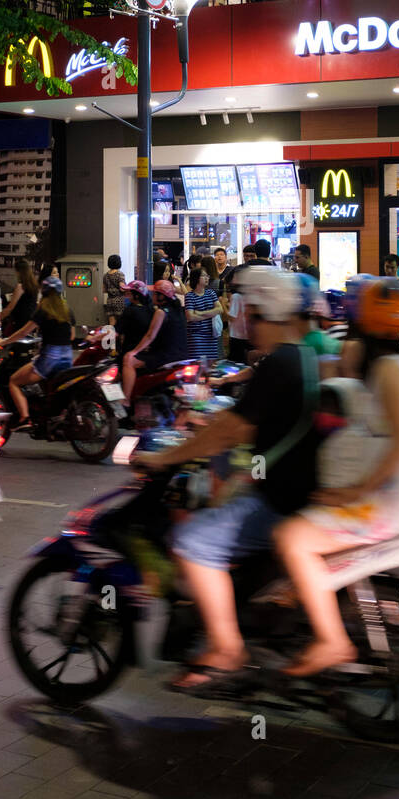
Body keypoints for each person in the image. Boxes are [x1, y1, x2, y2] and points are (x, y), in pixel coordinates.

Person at [133, 266, 320, 692]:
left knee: (193, 541)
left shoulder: (280, 363)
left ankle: (225, 648)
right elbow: (249, 422)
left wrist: (167, 458)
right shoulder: (302, 356)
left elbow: (233, 429)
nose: (243, 319)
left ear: (259, 311)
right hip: (294, 486)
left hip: (279, 498)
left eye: (248, 310)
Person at [275, 275, 399, 675]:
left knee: (292, 539)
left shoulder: (387, 368)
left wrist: (354, 492)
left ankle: (332, 641)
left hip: (391, 499)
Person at [0, 274, 75, 430]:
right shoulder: (67, 310)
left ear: (44, 292)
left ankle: (25, 418)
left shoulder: (43, 309)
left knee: (14, 381)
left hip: (50, 357)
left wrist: (4, 341)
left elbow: (24, 332)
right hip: (67, 357)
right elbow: (71, 336)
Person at [121, 279, 189, 403]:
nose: (152, 296)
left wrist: (134, 352)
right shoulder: (178, 310)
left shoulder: (160, 312)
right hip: (181, 354)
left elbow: (149, 336)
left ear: (161, 296)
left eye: (155, 293)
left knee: (128, 359)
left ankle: (125, 400)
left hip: (165, 356)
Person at [184, 265, 223, 361]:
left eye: (207, 276)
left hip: (211, 335)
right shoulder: (190, 296)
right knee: (196, 364)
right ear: (196, 278)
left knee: (210, 365)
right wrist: (211, 313)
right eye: (204, 276)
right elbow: (190, 317)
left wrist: (200, 313)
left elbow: (220, 309)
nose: (207, 278)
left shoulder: (211, 293)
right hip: (196, 336)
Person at [117, 280, 154, 364]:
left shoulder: (130, 311)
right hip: (147, 353)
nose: (126, 296)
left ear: (136, 296)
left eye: (128, 293)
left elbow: (116, 331)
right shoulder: (152, 310)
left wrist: (96, 337)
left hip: (130, 352)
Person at [1, 259, 39, 337]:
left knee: (12, 343)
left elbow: (10, 307)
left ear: (18, 272)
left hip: (20, 320)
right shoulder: (34, 285)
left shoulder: (20, 286)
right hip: (31, 319)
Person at [102, 254, 127, 327]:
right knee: (121, 323)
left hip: (109, 301)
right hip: (119, 300)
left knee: (111, 323)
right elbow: (122, 288)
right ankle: (120, 338)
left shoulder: (105, 275)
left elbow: (104, 290)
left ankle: (112, 338)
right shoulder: (120, 274)